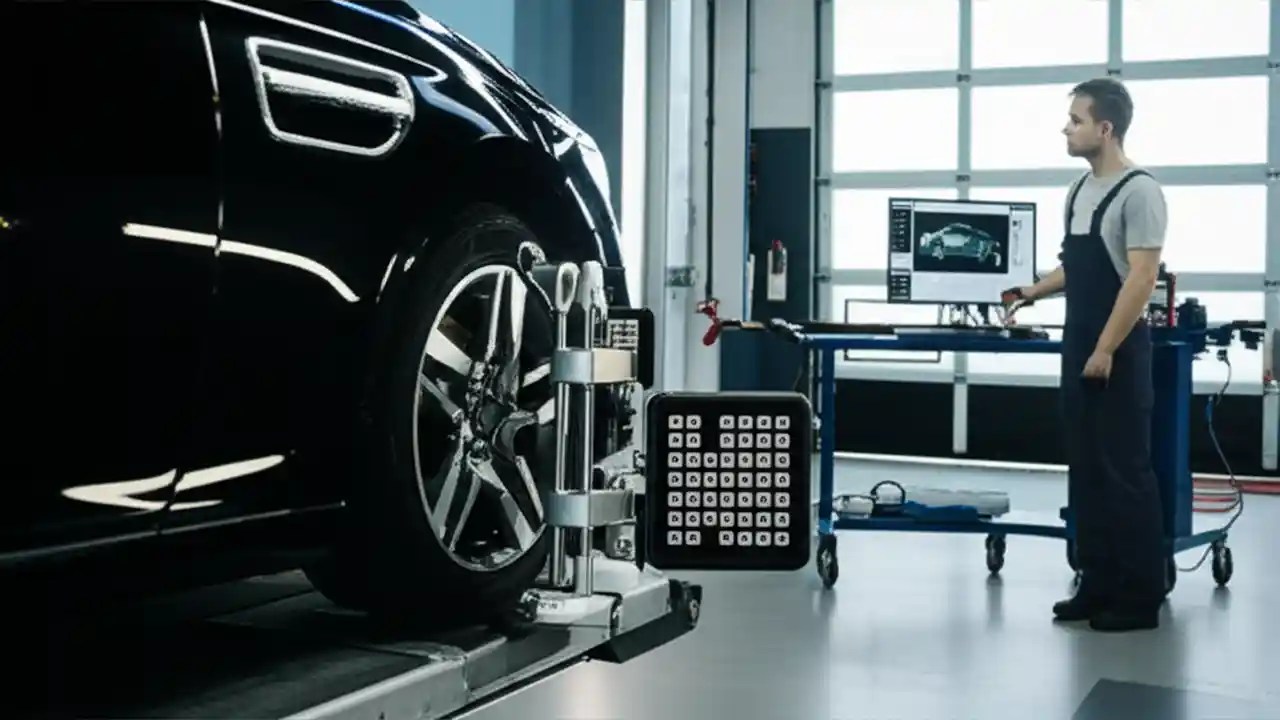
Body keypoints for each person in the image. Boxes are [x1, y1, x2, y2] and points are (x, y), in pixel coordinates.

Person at [1004, 77, 1169, 632]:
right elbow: (1078, 265)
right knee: (1088, 470)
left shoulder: (1140, 191)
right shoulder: (1079, 191)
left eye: (1075, 120)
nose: (1065, 128)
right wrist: (1031, 291)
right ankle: (1096, 585)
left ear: (1105, 128)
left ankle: (1140, 597)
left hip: (1117, 351)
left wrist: (1105, 349)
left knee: (1127, 473)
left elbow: (1141, 278)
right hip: (1079, 346)